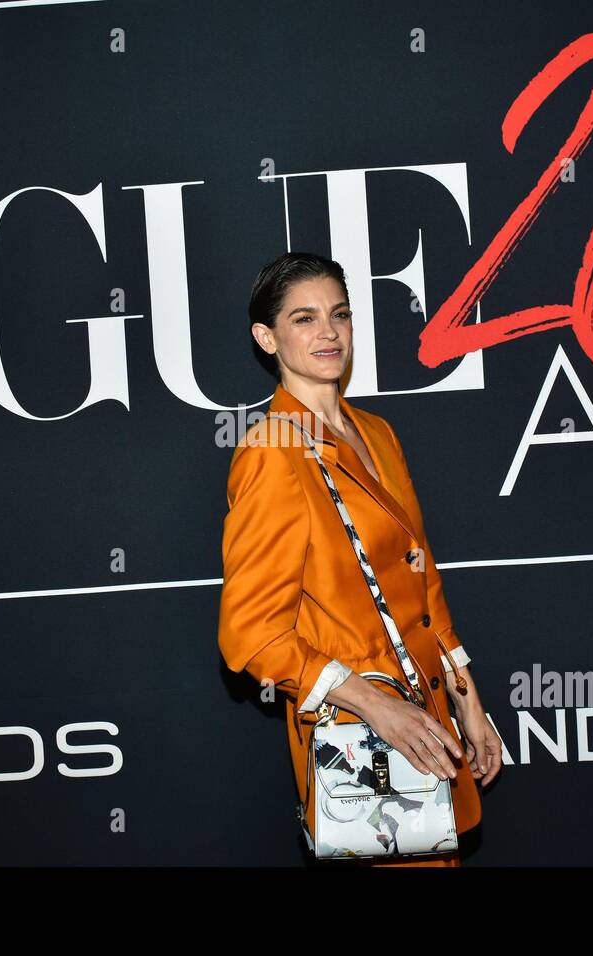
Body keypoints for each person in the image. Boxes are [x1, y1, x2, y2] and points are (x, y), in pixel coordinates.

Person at [217, 252, 503, 866]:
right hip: (360, 740)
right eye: (304, 319)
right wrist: (379, 707)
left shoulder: (375, 432)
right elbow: (250, 636)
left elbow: (421, 583)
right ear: (266, 338)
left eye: (339, 315)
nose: (328, 332)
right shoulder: (271, 453)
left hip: (426, 719)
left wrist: (467, 701)